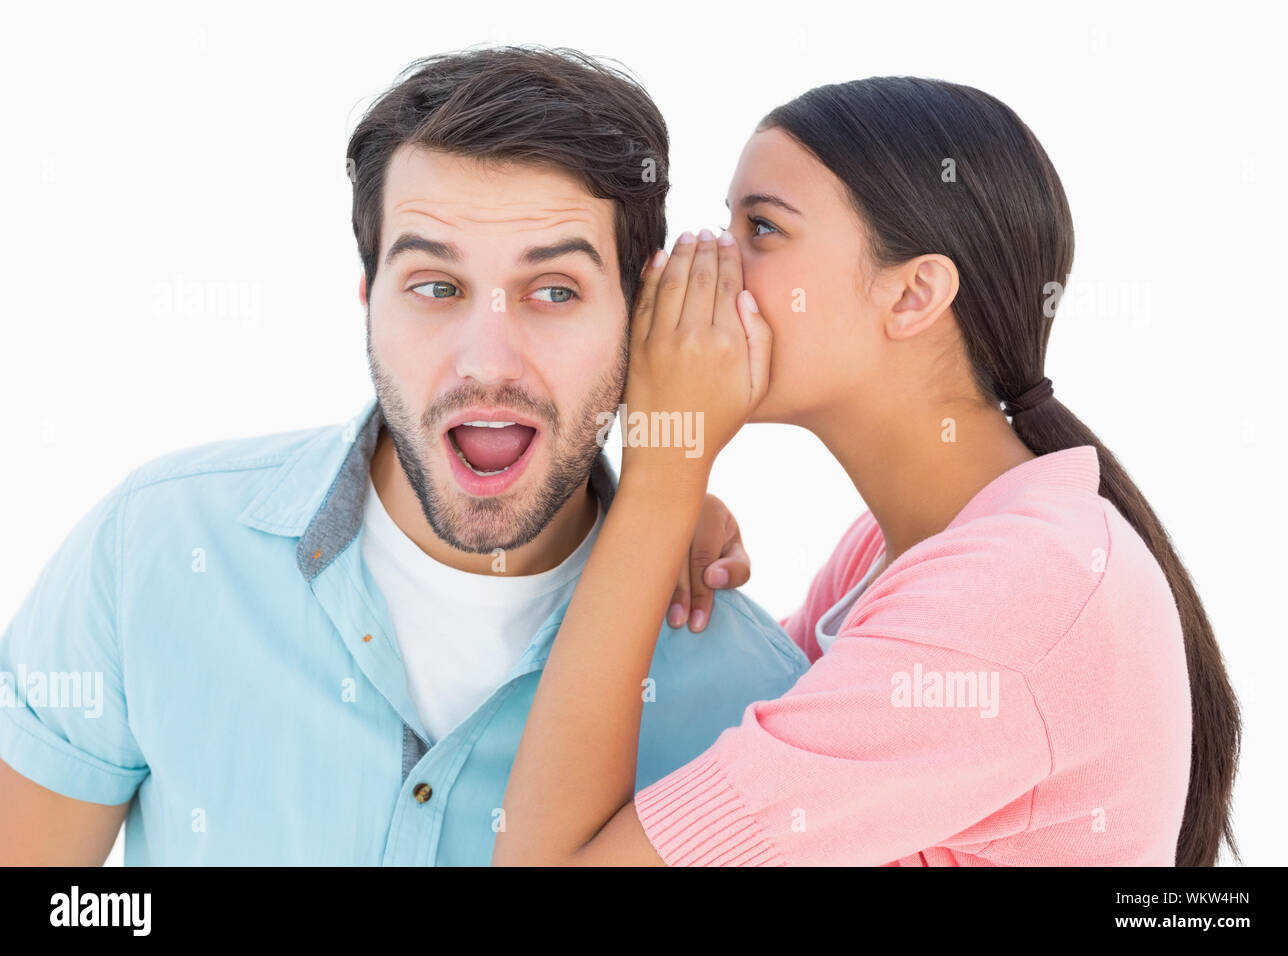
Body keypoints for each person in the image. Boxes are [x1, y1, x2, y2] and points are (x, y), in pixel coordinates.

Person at [0, 46, 809, 866]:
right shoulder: (157, 551)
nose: (488, 361)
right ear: (368, 300)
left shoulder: (753, 704)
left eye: (555, 292)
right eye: (436, 287)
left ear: (640, 317)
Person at [492, 76, 1241, 867]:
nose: (702, 265)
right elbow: (699, 759)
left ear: (914, 293)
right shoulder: (901, 552)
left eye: (762, 229)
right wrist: (657, 525)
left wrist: (659, 487)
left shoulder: (1014, 592)